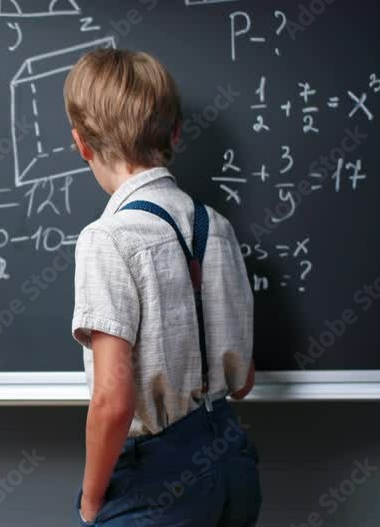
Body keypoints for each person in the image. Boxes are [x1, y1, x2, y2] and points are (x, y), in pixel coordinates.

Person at [65, 48, 260, 526]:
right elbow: (243, 382)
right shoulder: (218, 227)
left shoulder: (108, 238)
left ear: (82, 144)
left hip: (156, 485)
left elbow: (113, 402)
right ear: (175, 132)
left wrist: (91, 502)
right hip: (232, 466)